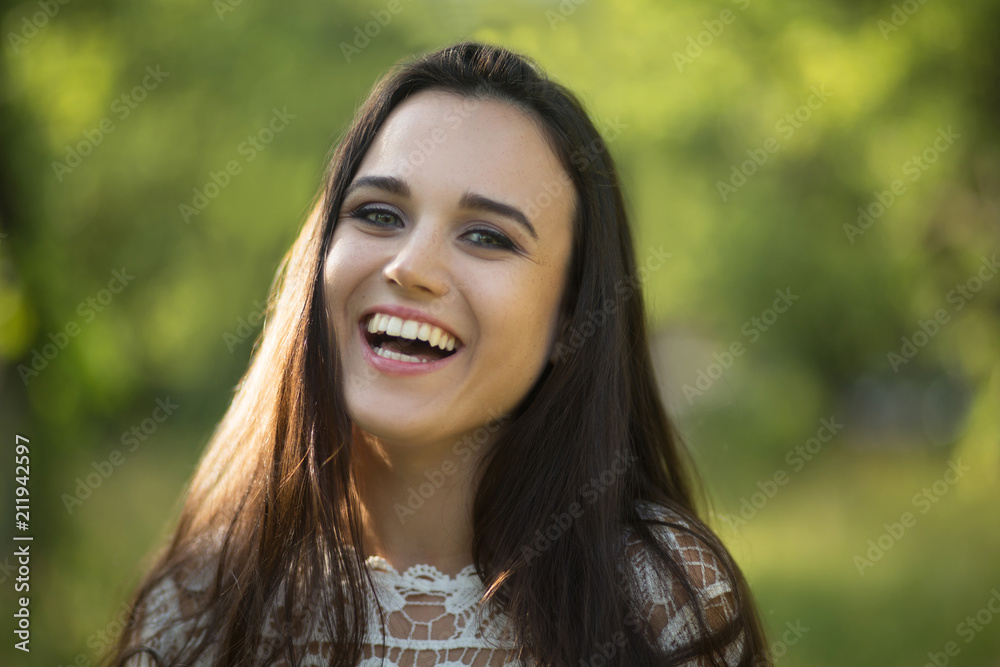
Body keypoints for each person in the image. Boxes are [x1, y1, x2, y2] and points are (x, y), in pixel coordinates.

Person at [107, 41, 771, 667]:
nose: (410, 266)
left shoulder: (658, 603)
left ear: (573, 316)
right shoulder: (198, 606)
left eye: (486, 235)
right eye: (379, 214)